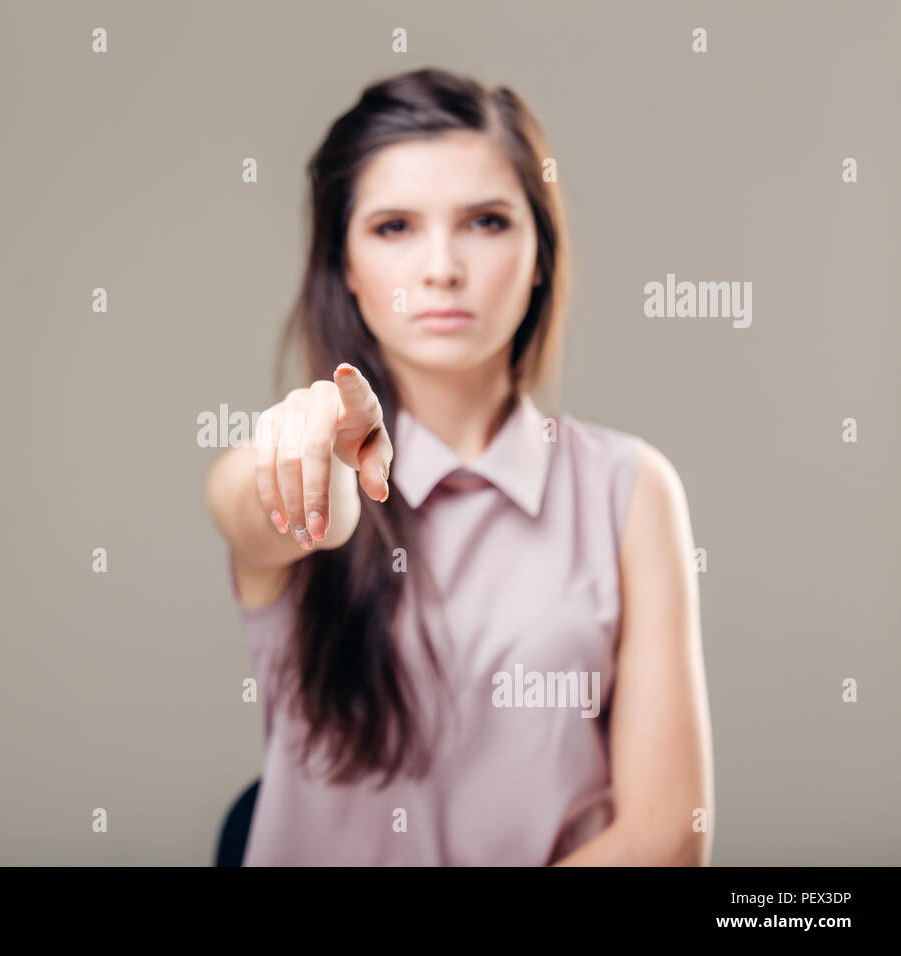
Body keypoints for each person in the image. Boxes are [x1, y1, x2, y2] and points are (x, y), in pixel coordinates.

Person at [204, 68, 714, 866]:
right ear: (343, 264)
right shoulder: (287, 453)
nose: (441, 267)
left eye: (485, 221)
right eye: (395, 226)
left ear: (541, 252)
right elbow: (257, 508)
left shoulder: (632, 489)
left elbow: (668, 836)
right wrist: (323, 465)